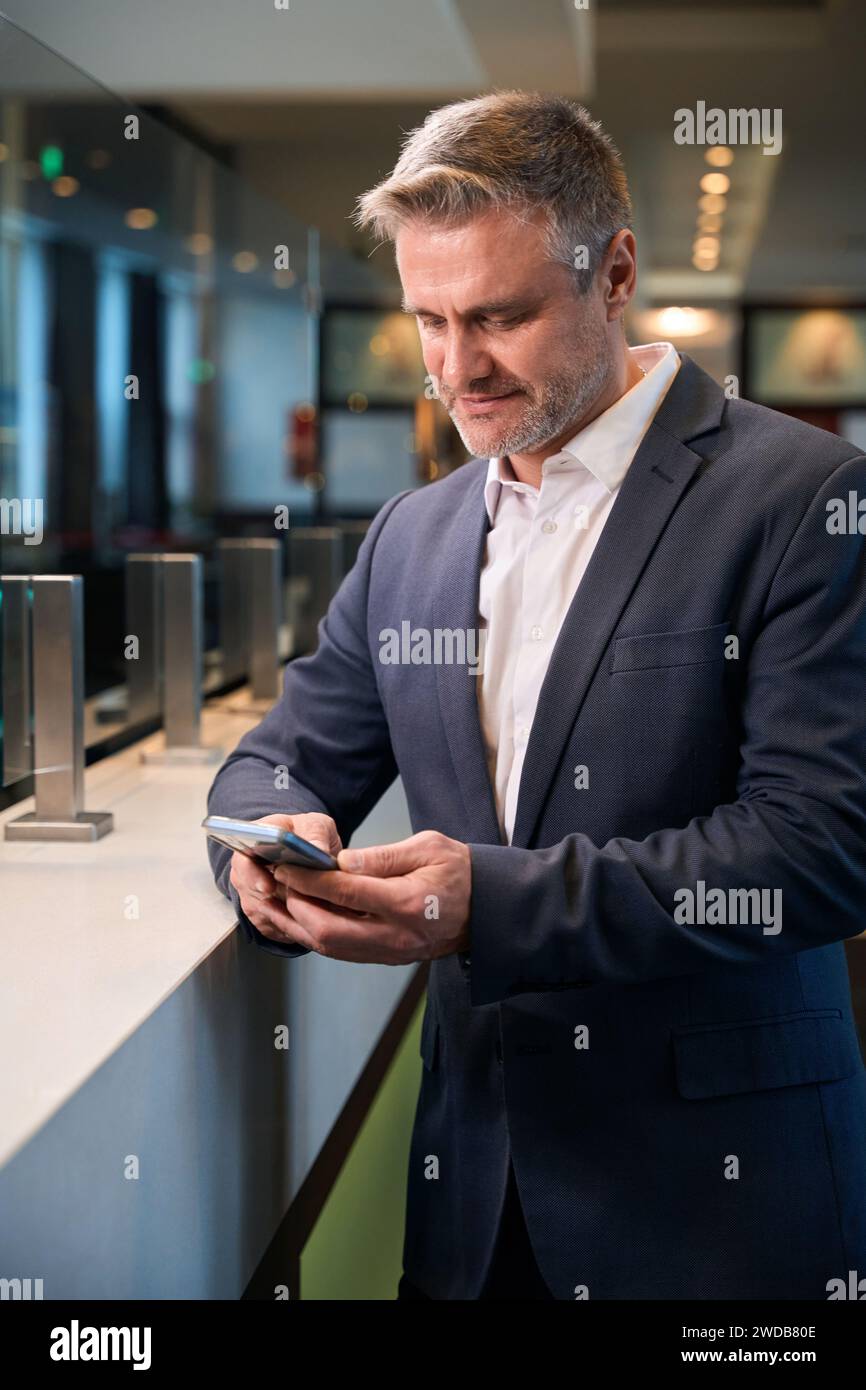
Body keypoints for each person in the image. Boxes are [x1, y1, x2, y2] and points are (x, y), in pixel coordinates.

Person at [207, 91, 866, 1300]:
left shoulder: (803, 496)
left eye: (499, 317)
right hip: (470, 1193)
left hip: (716, 1213)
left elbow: (820, 849)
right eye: (428, 321)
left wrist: (488, 904)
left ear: (612, 272)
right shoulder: (413, 532)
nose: (454, 369)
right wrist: (265, 839)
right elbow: (282, 756)